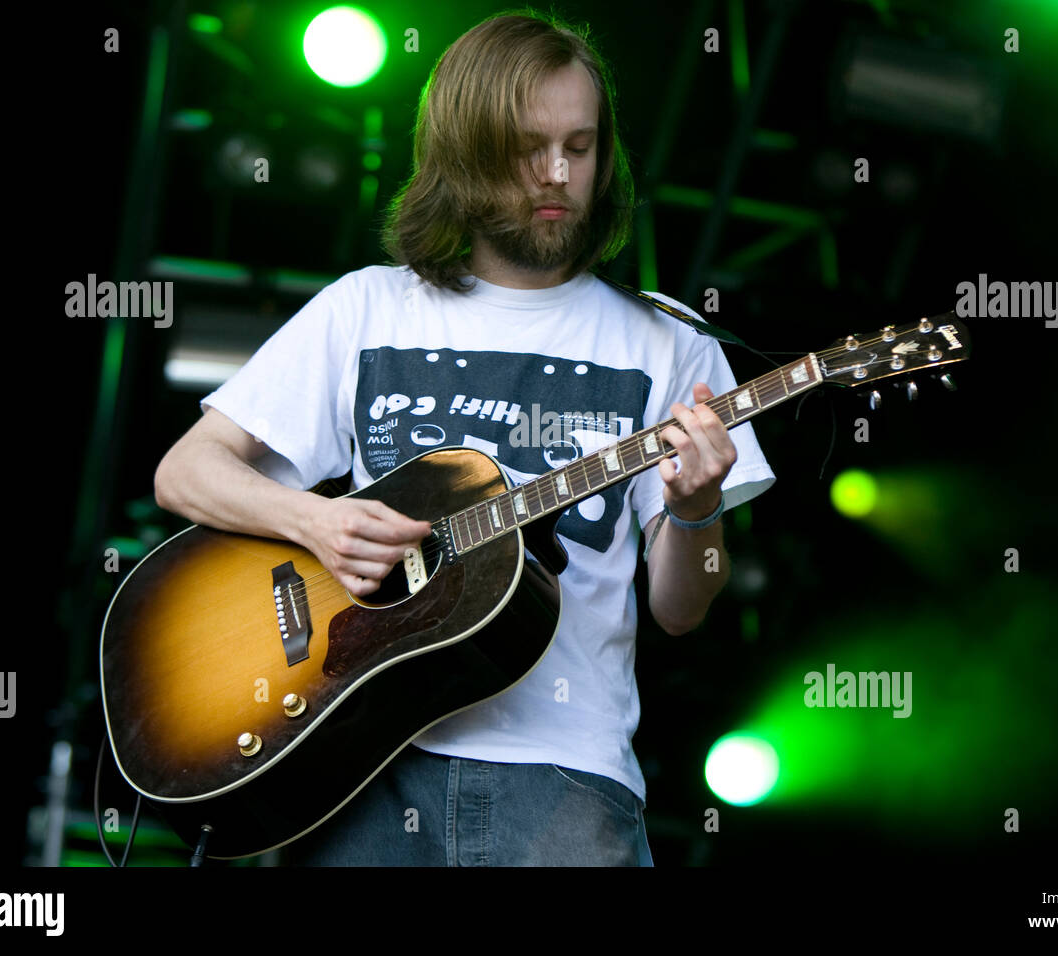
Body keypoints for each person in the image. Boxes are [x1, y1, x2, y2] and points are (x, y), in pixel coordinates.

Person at [153, 11, 775, 866]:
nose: (558, 173)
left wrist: (698, 510)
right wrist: (316, 523)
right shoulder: (367, 307)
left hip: (566, 781)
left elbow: (682, 608)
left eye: (581, 146)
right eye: (528, 147)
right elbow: (186, 471)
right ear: (466, 152)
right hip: (360, 764)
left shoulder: (668, 344)